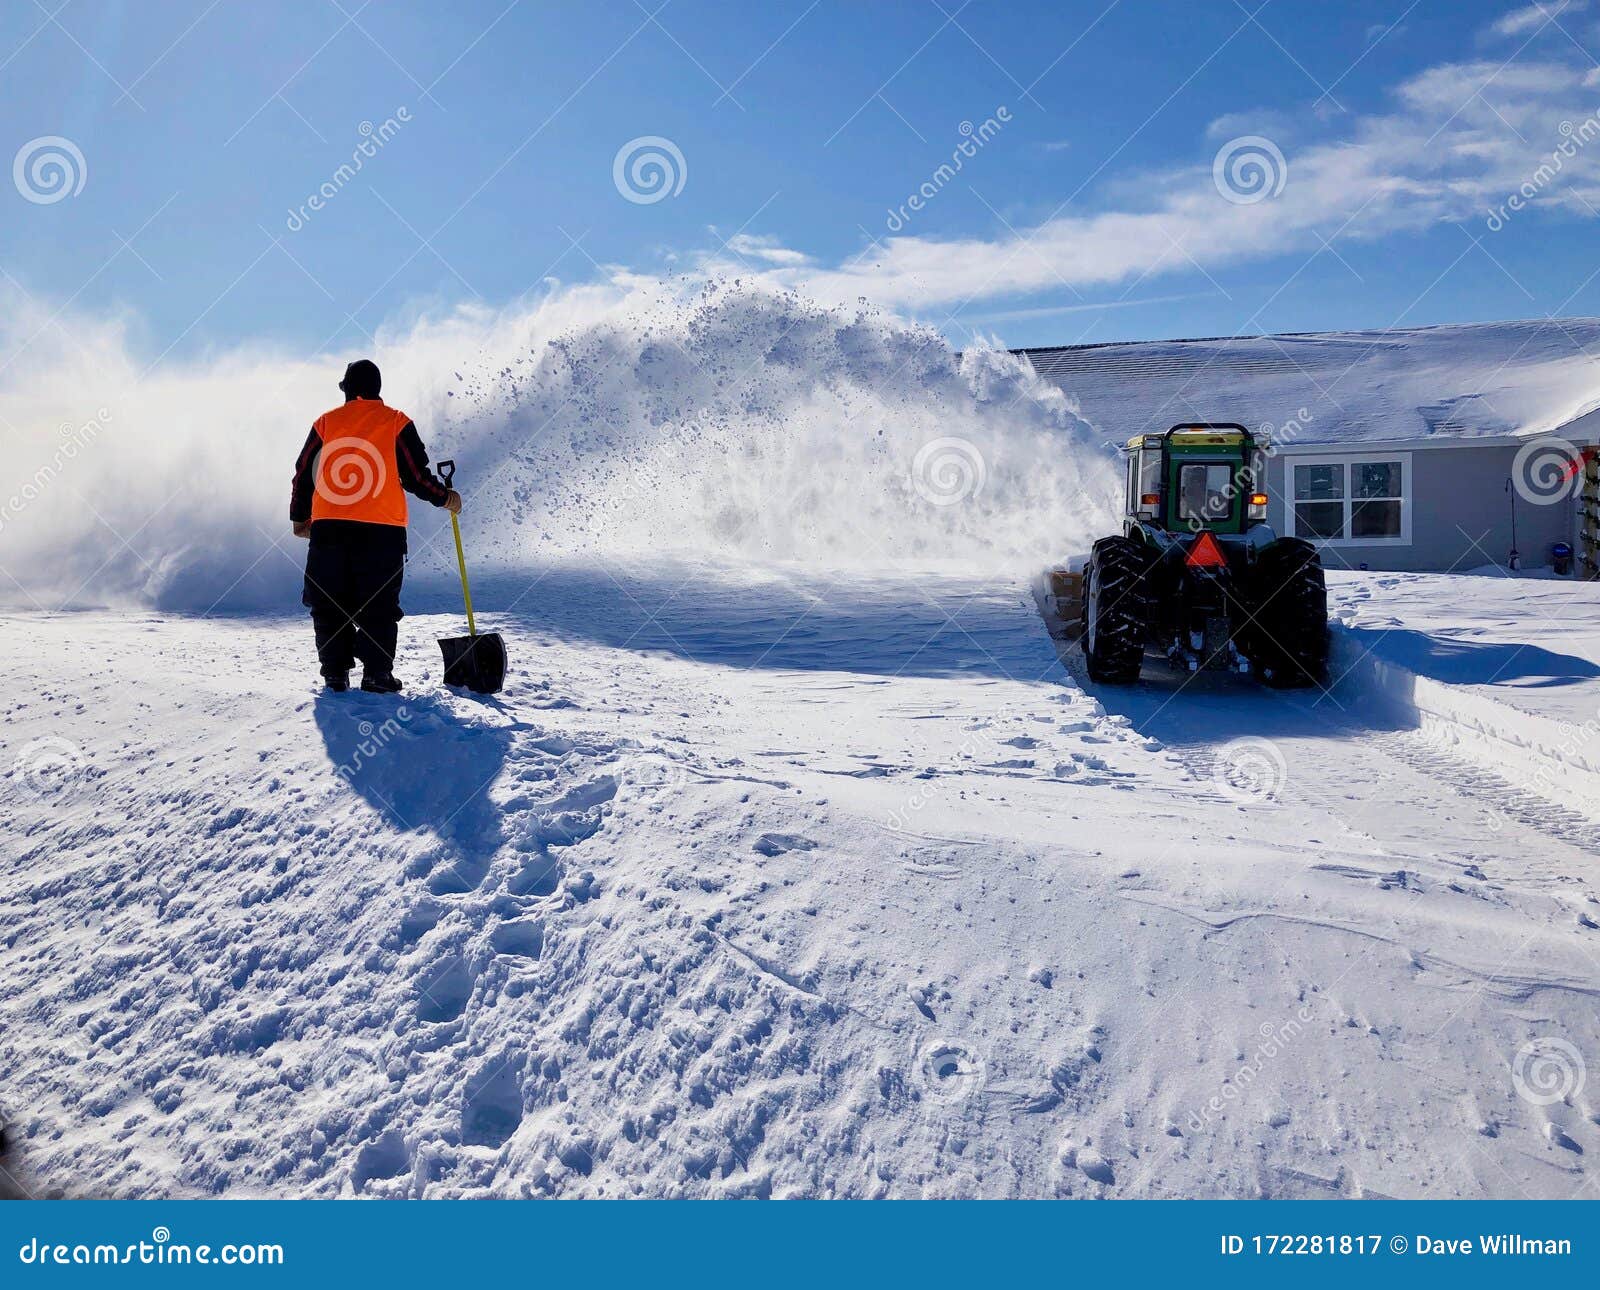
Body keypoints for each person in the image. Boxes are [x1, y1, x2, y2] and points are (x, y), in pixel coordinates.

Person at [289, 359, 462, 693]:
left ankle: (335, 674)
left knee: (328, 601)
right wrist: (444, 497)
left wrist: (300, 517)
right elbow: (415, 476)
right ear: (377, 390)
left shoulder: (325, 423)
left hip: (329, 531)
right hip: (381, 533)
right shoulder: (396, 421)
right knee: (378, 603)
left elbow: (302, 473)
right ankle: (377, 675)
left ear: (347, 390)